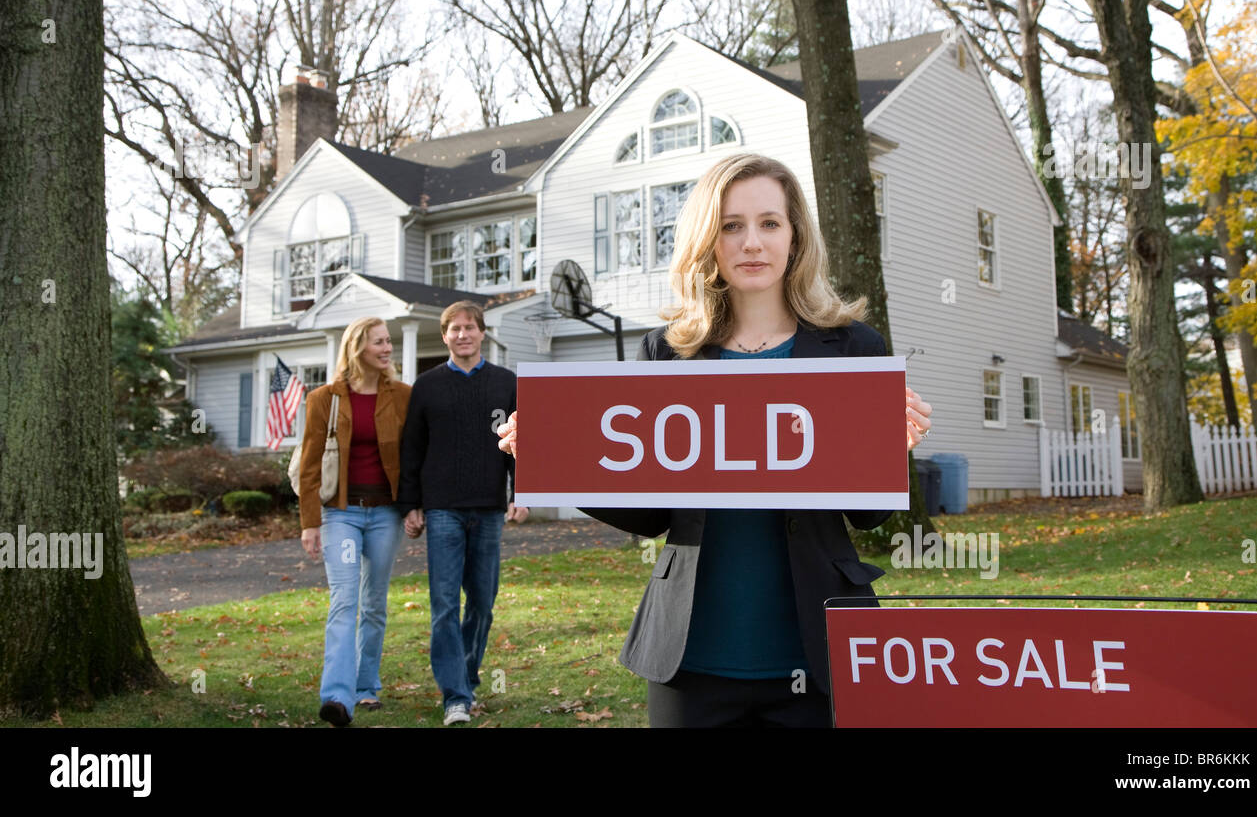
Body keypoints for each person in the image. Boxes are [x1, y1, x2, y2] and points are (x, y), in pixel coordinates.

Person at [497, 152, 933, 727]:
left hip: (819, 650)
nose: (752, 242)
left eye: (769, 223)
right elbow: (652, 514)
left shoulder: (853, 347)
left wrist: (892, 449)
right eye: (731, 225)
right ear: (709, 239)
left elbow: (868, 518)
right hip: (691, 658)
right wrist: (560, 460)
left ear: (796, 236)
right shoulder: (666, 352)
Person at [398, 300, 529, 726]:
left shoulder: (507, 383)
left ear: (482, 333)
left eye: (469, 327)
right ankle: (455, 695)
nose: (462, 334)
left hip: (489, 507)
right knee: (443, 604)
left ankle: (466, 675)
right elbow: (412, 450)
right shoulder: (427, 386)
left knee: (483, 604)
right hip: (442, 511)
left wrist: (521, 492)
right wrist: (410, 505)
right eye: (454, 328)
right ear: (444, 336)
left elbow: (519, 443)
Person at [299, 316, 412, 727]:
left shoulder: (402, 396)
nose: (387, 348)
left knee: (374, 604)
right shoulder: (324, 399)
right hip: (341, 514)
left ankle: (366, 688)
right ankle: (337, 697)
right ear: (357, 347)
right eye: (379, 342)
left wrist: (413, 504)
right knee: (344, 600)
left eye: (388, 342)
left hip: (385, 514)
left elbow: (412, 458)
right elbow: (311, 465)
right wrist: (310, 523)